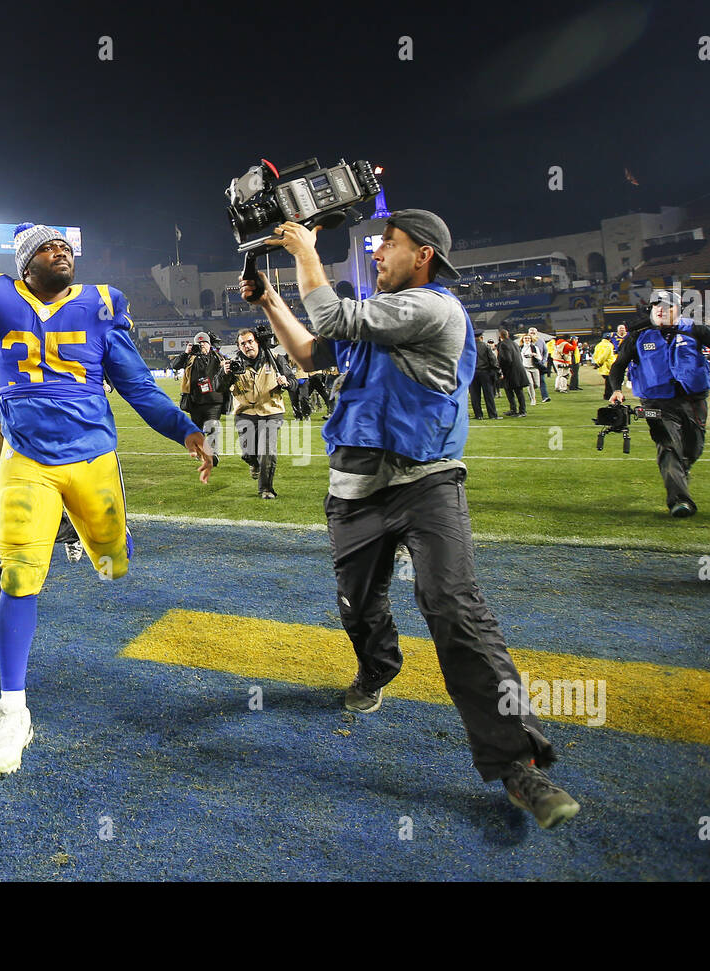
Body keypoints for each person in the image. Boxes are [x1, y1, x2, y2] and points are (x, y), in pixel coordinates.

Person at [243, 209, 579, 830]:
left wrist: (304, 251)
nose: (376, 254)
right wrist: (268, 301)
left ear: (422, 254)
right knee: (357, 604)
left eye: (387, 244)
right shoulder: (387, 315)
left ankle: (518, 766)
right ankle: (377, 666)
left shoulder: (434, 307)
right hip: (354, 485)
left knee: (454, 605)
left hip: (426, 480)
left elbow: (333, 316)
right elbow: (312, 352)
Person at [0, 173, 212, 777]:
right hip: (26, 462)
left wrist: (187, 430)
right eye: (47, 248)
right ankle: (12, 710)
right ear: (25, 264)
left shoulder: (99, 305)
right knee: (19, 577)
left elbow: (138, 387)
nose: (60, 252)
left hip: (93, 457)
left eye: (64, 246)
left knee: (113, 563)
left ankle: (98, 532)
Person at [0, 341, 86, 620]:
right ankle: (0, 597)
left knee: (35, 525)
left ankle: (73, 531)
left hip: (27, 467)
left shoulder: (20, 374)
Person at [608, 291, 710, 517]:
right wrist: (615, 390)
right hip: (655, 402)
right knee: (668, 446)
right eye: (656, 306)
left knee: (693, 447)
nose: (660, 310)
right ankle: (679, 500)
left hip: (693, 400)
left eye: (667, 306)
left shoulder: (696, 330)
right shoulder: (638, 336)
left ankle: (680, 473)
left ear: (678, 308)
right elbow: (618, 365)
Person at [225, 329, 289, 498]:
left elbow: (294, 382)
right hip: (245, 413)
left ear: (257, 342)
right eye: (243, 344)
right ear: (239, 347)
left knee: (267, 451)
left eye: (250, 341)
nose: (247, 346)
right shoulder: (233, 364)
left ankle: (266, 489)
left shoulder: (275, 359)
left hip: (271, 411)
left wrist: (287, 383)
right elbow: (219, 387)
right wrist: (223, 375)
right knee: (248, 453)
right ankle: (253, 463)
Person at [171, 332, 227, 466]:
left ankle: (213, 454)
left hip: (214, 400)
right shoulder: (190, 358)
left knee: (213, 427)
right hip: (195, 401)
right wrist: (186, 353)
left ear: (209, 344)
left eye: (204, 343)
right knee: (197, 430)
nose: (202, 345)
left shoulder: (218, 357)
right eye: (199, 343)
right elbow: (175, 365)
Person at [497, 328, 530, 417]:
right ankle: (519, 410)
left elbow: (506, 359)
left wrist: (501, 370)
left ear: (500, 336)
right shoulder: (514, 344)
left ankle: (518, 410)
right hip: (519, 369)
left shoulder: (502, 344)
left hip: (510, 371)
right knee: (518, 391)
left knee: (511, 391)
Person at [470, 331, 500, 419]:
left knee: (475, 395)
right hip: (485, 373)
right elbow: (493, 360)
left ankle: (478, 415)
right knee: (489, 395)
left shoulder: (468, 347)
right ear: (481, 337)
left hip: (473, 374)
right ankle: (492, 415)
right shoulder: (485, 346)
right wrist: (497, 371)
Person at [526, 327, 550, 402]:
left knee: (542, 381)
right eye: (531, 332)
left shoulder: (541, 341)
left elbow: (545, 351)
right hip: (528, 365)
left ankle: (545, 397)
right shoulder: (525, 342)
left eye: (534, 332)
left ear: (537, 333)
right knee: (530, 382)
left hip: (539, 364)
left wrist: (543, 361)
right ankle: (532, 398)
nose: (532, 334)